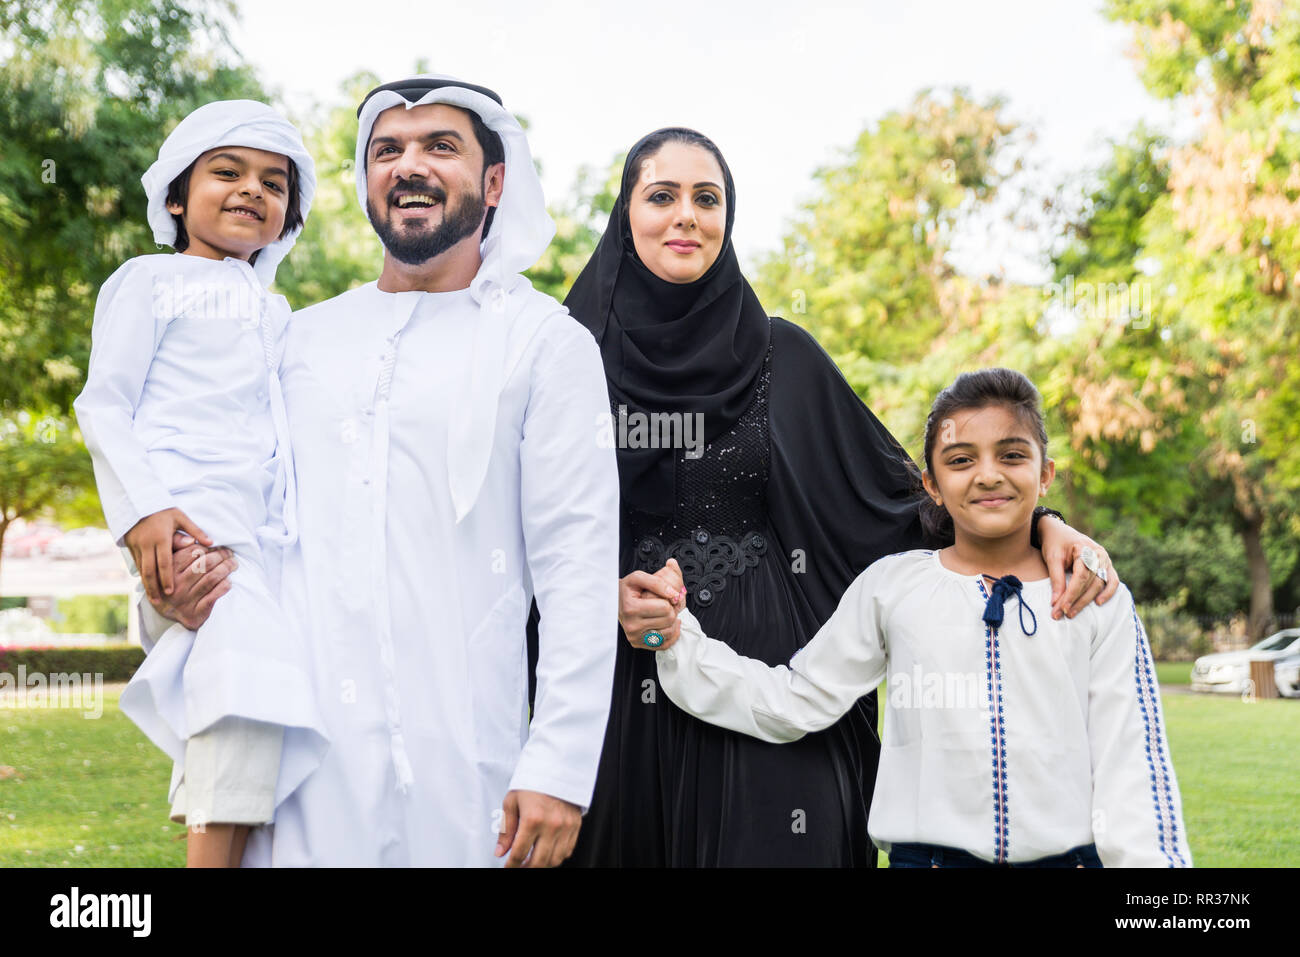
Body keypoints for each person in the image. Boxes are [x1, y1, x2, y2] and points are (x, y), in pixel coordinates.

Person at [556, 127, 1122, 866]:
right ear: (625, 214)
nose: (686, 214)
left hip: (777, 706)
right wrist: (606, 596)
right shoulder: (565, 356)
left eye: (708, 198)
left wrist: (1038, 526)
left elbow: (902, 499)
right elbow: (527, 524)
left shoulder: (780, 354)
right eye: (661, 195)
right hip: (620, 694)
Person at [138, 75, 620, 867]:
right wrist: (170, 585)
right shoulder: (297, 337)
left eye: (441, 146)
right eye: (386, 151)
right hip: (303, 759)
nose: (408, 165)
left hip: (468, 762)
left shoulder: (547, 344)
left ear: (495, 182)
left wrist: (560, 766)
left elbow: (577, 565)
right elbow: (221, 484)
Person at [643, 368, 1192, 867]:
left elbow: (1133, 762)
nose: (987, 475)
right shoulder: (894, 587)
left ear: (1045, 474)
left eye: (1011, 455)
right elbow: (796, 698)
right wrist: (678, 641)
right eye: (960, 460)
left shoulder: (1091, 593)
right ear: (931, 482)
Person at [73, 100, 328, 867]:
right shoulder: (148, 279)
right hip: (185, 521)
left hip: (267, 537)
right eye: (228, 171)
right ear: (176, 197)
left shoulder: (282, 313)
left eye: (274, 181)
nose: (253, 189)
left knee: (241, 700)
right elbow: (103, 402)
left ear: (289, 215)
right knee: (244, 692)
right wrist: (144, 512)